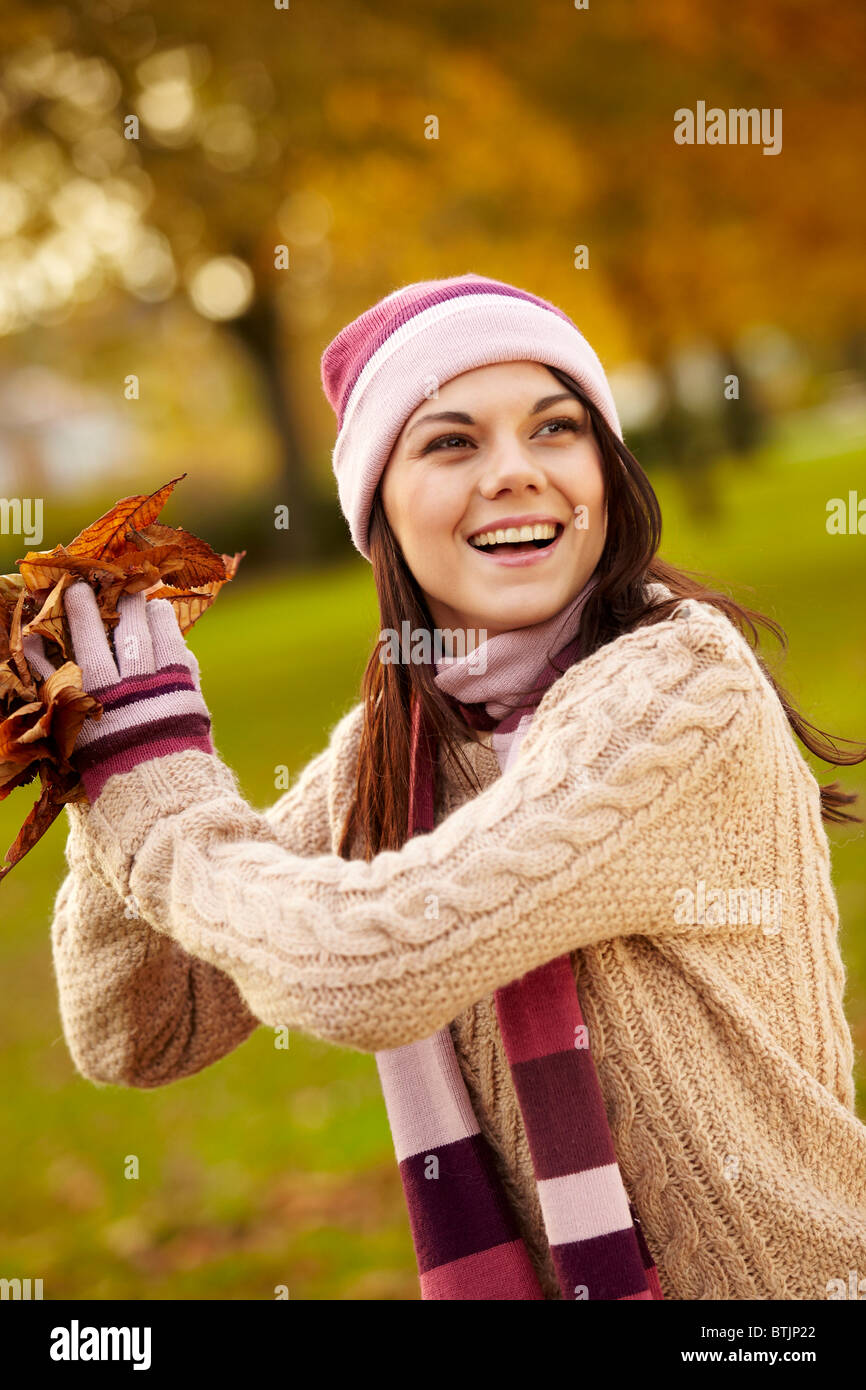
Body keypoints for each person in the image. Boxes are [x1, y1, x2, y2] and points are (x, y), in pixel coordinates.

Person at [33, 273, 866, 1301]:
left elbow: (378, 964)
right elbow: (138, 1028)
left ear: (604, 470)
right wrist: (104, 747)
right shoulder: (392, 752)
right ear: (378, 508)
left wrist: (157, 798)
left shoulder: (675, 694)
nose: (516, 472)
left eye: (555, 429)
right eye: (451, 441)